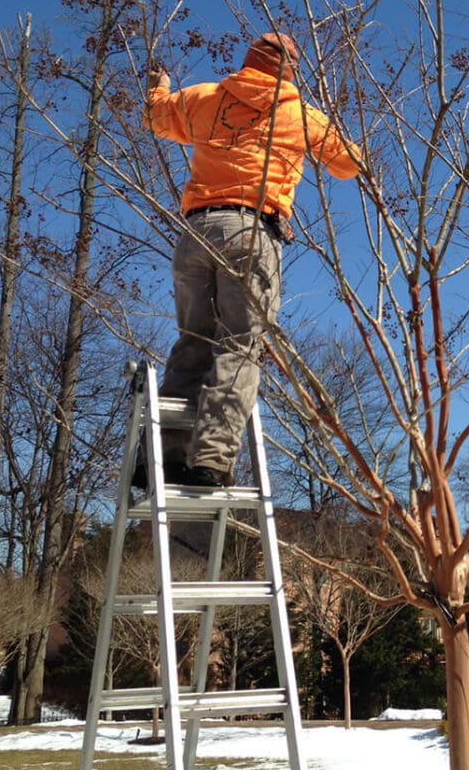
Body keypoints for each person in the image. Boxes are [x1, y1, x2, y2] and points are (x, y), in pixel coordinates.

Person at [141, 32, 361, 488]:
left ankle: (164, 458)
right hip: (253, 231)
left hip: (198, 231)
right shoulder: (300, 115)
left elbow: (157, 119)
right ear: (291, 72)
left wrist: (158, 87)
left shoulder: (207, 98)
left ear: (247, 62)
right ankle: (211, 460)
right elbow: (349, 165)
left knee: (192, 342)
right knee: (239, 347)